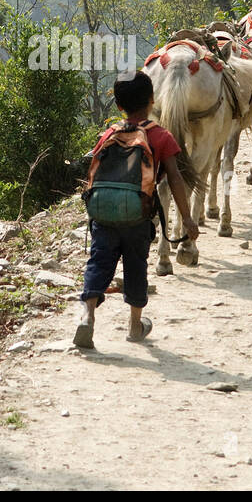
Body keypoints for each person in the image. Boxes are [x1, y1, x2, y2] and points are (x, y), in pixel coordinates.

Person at [74, 70, 197, 348]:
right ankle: (134, 325)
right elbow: (175, 178)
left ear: (119, 106)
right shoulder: (161, 136)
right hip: (137, 218)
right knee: (136, 266)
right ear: (153, 100)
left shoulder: (110, 133)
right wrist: (187, 218)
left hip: (103, 215)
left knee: (99, 262)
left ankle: (87, 316)